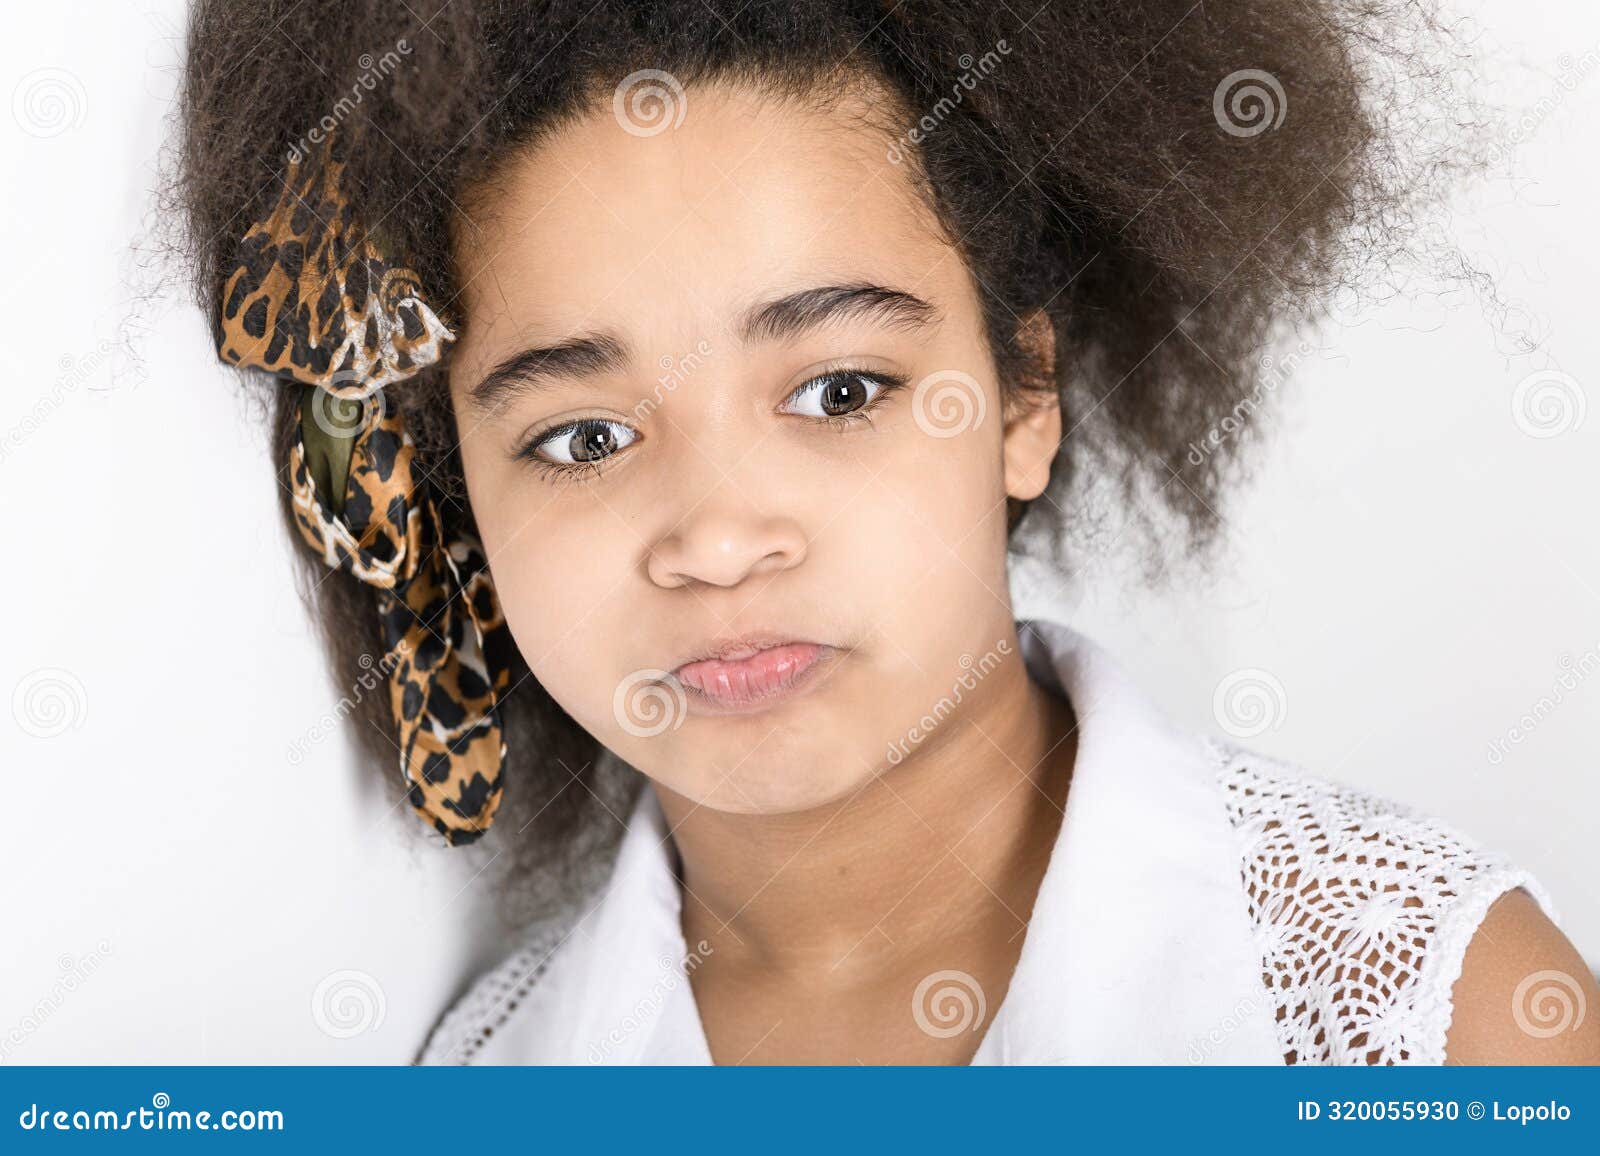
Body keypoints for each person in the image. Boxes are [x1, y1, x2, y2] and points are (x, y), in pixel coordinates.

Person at [173, 0, 1600, 1064]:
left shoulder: (1440, 1011)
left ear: (1021, 394)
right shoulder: (481, 1075)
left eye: (840, 390)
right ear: (463, 499)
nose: (719, 542)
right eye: (583, 438)